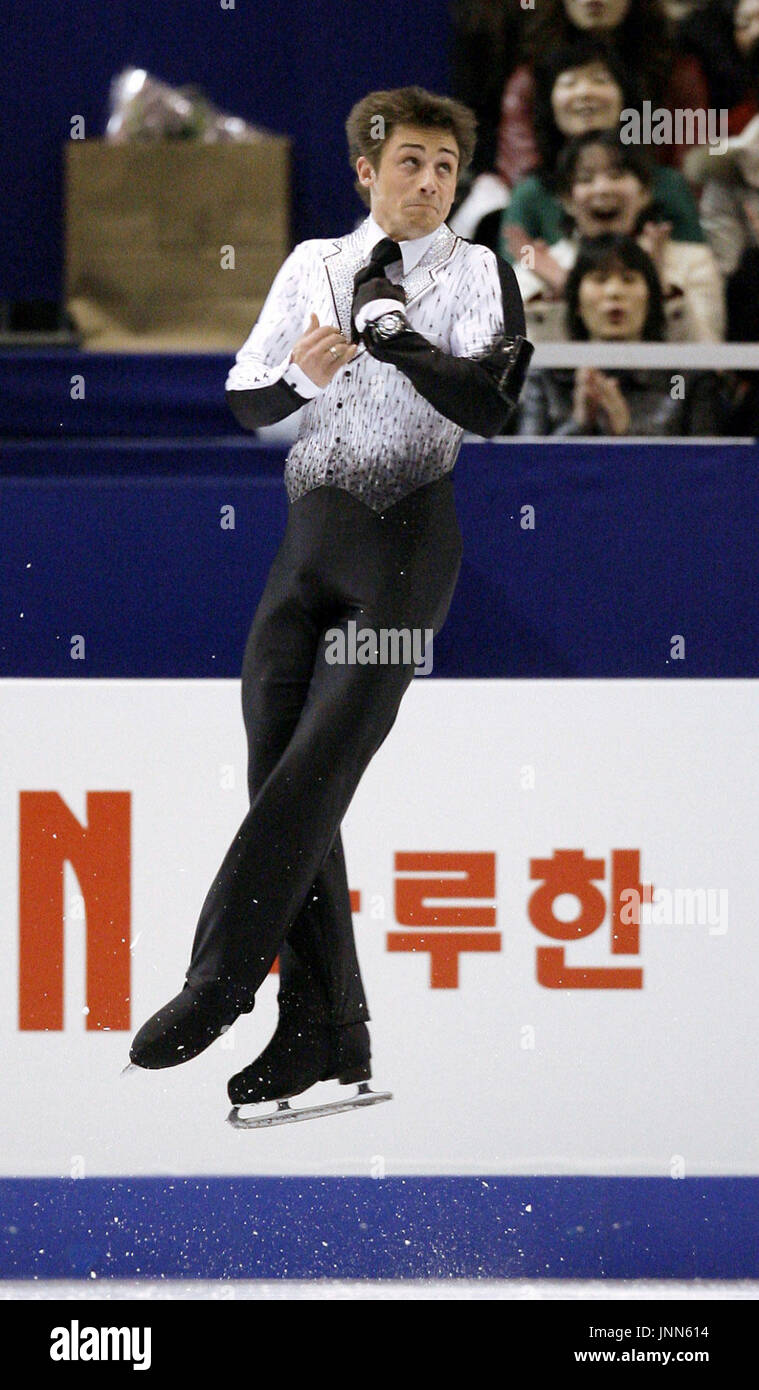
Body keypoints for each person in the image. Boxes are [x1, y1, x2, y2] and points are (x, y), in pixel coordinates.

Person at [129, 86, 532, 1114]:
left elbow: (491, 404)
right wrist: (302, 387)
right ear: (367, 169)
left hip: (404, 550)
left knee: (314, 767)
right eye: (411, 162)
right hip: (305, 551)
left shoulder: (480, 271)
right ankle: (325, 1027)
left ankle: (221, 977)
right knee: (284, 781)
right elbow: (243, 395)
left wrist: (398, 338)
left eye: (447, 165)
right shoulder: (314, 264)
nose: (431, 182)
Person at [498, 37, 705, 260]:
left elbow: (697, 271)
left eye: (600, 80)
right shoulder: (532, 194)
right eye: (569, 83)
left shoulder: (667, 185)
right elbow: (507, 282)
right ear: (549, 106)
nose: (585, 92)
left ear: (626, 100)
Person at [515, 130, 725, 341]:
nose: (602, 189)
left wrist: (661, 289)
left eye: (616, 175)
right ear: (567, 200)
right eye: (586, 179)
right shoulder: (534, 269)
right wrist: (563, 294)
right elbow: (528, 367)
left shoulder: (693, 262)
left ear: (645, 192)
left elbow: (708, 359)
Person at [517, 234, 722, 433]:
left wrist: (626, 433)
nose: (614, 291)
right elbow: (524, 464)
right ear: (577, 302)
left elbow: (704, 463)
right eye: (600, 279)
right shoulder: (546, 378)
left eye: (629, 279)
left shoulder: (683, 381)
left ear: (651, 298)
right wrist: (580, 423)